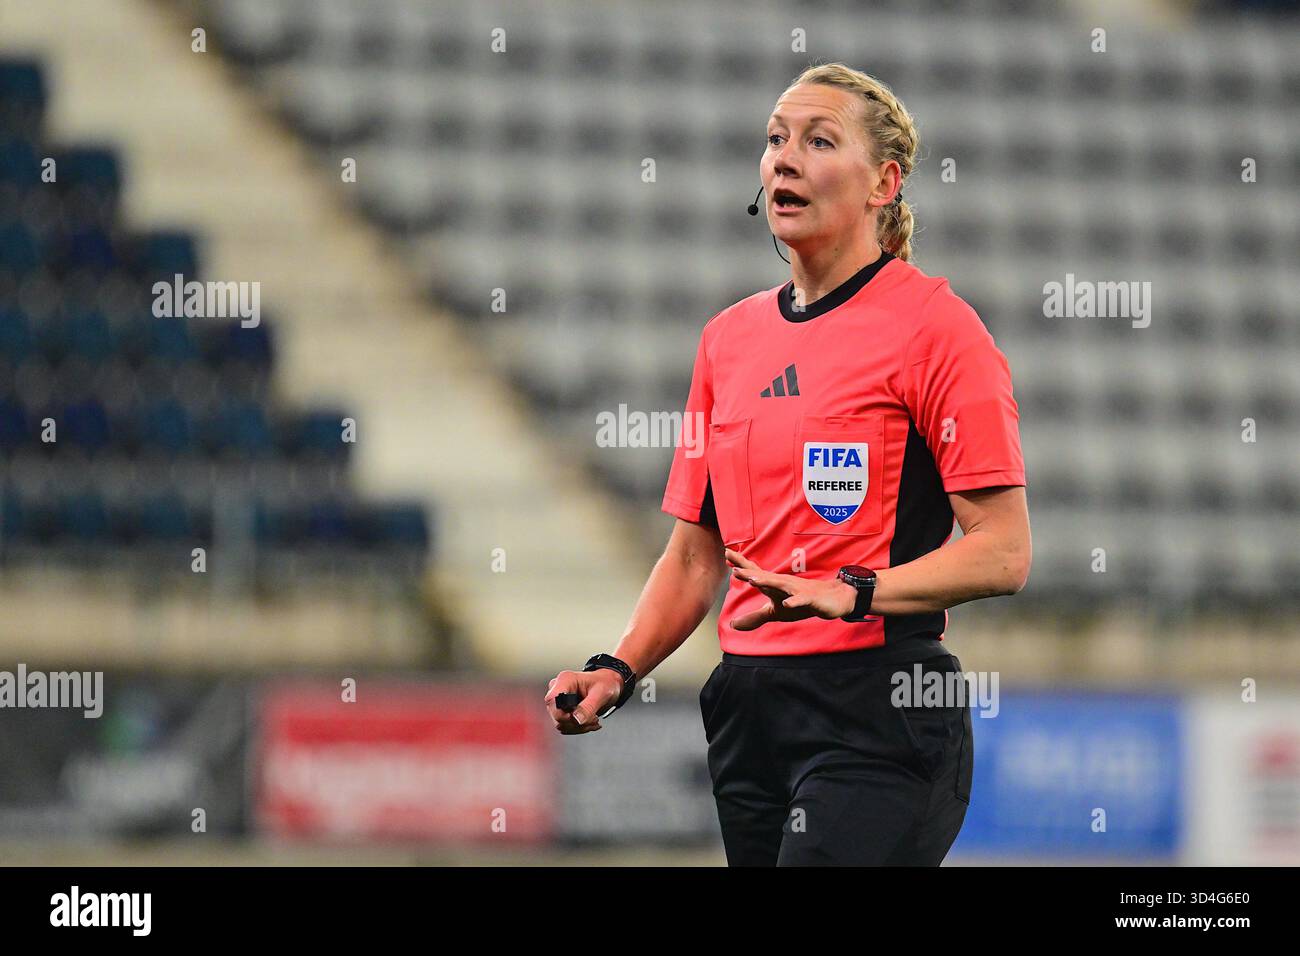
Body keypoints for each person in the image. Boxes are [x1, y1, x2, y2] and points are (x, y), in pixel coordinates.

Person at [545, 63, 1030, 866]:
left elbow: (1005, 552)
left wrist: (854, 589)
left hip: (883, 702)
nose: (784, 158)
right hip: (748, 708)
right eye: (775, 140)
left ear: (885, 182)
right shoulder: (726, 340)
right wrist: (618, 666)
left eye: (818, 140)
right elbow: (695, 554)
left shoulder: (940, 330)